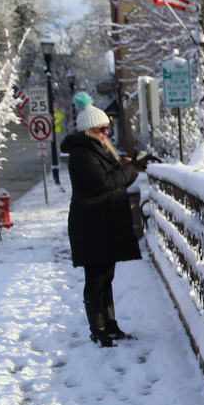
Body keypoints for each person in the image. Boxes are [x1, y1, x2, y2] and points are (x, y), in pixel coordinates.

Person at [61, 106, 151, 347]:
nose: (106, 133)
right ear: (89, 130)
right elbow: (104, 182)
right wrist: (131, 169)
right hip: (91, 224)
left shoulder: (95, 151)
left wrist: (126, 164)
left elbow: (109, 175)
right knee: (96, 277)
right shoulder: (82, 153)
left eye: (107, 128)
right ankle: (98, 330)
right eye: (102, 129)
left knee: (106, 276)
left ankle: (110, 326)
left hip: (101, 222)